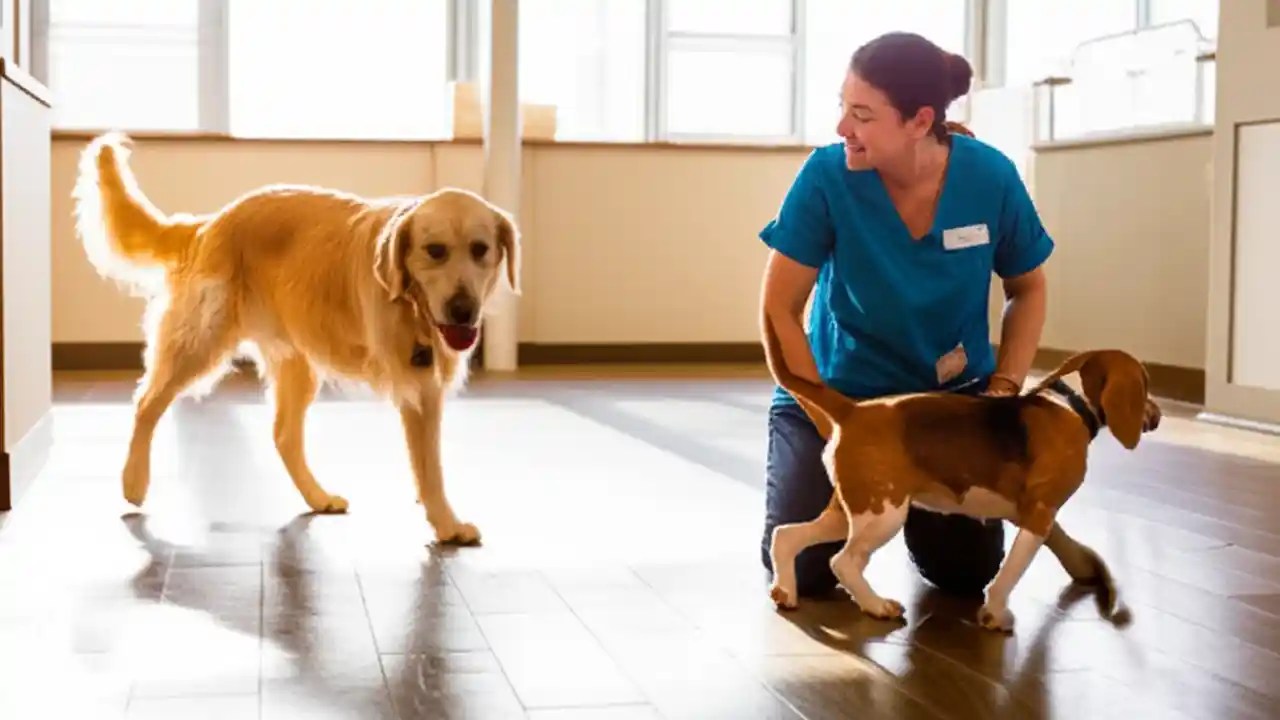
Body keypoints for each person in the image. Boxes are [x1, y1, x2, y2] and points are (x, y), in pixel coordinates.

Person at [758, 32, 1052, 599]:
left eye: (862, 115)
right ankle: (890, 500)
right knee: (811, 570)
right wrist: (839, 433)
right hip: (839, 400)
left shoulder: (990, 177)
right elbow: (779, 307)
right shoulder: (826, 178)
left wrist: (1003, 391)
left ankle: (913, 500)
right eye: (842, 108)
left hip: (945, 410)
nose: (844, 128)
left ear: (920, 121)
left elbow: (1028, 288)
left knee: (964, 573)